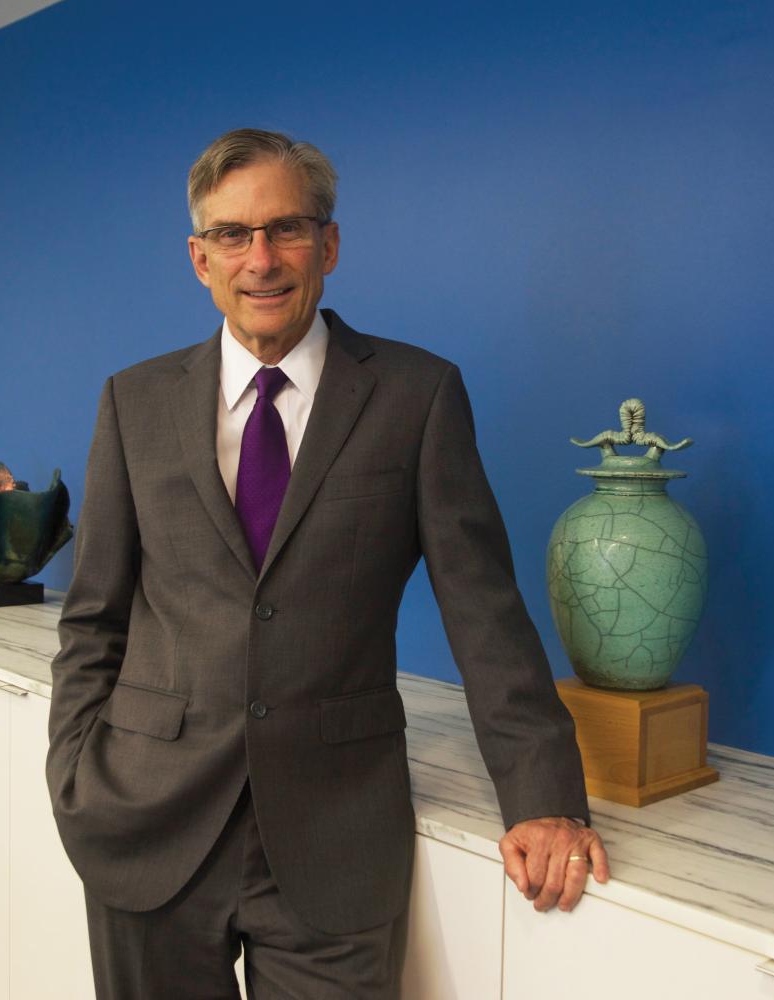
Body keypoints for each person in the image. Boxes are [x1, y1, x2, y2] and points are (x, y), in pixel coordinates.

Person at [47, 127, 609, 1000]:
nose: (261, 259)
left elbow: (483, 610)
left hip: (335, 839)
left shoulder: (416, 397)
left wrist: (543, 794)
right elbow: (95, 616)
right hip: (146, 823)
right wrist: (75, 776)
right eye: (233, 235)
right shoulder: (134, 401)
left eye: (286, 229)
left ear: (329, 244)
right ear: (200, 259)